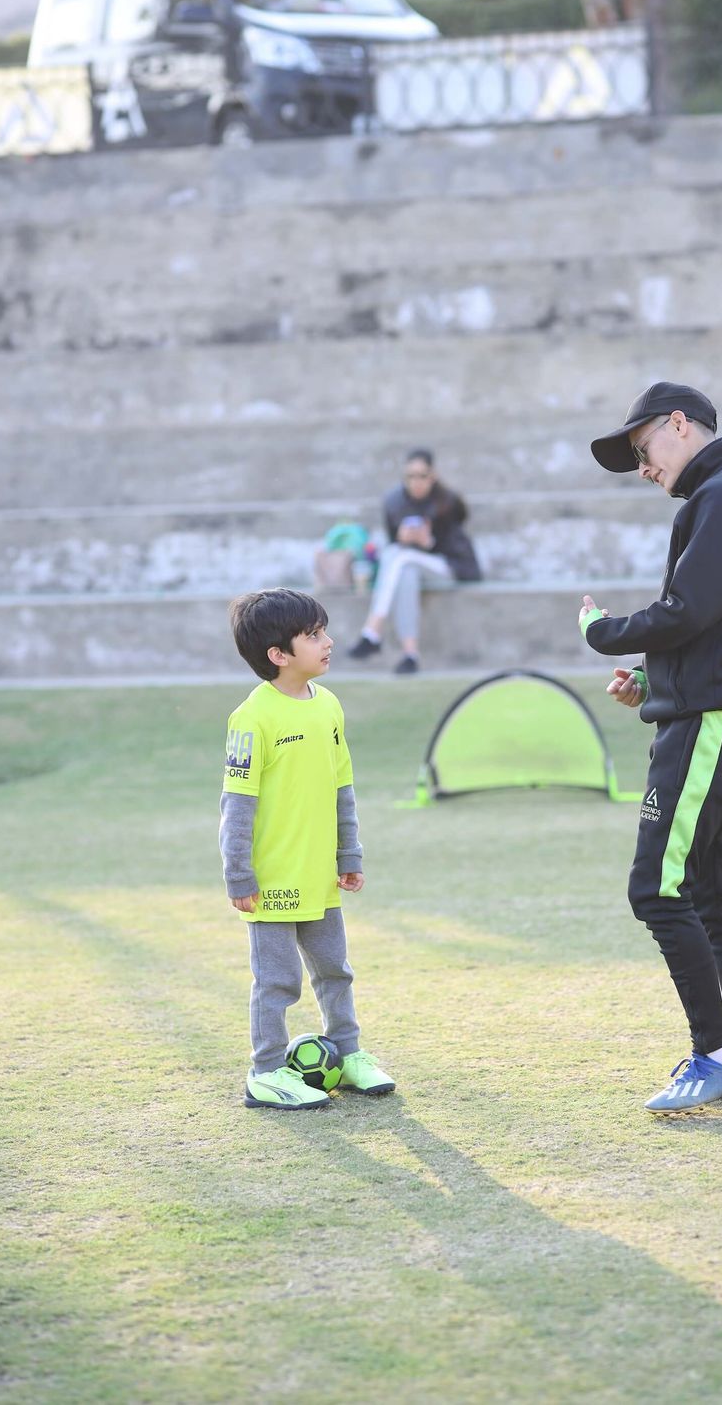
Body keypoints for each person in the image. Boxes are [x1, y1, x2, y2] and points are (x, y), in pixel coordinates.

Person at [579, 381, 722, 1113]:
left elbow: (687, 609)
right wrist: (652, 680)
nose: (642, 468)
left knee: (657, 890)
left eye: (643, 450)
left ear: (679, 424)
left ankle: (714, 1055)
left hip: (714, 723)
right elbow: (715, 626)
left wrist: (604, 632)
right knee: (714, 896)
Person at [220, 587, 396, 1109]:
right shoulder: (251, 719)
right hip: (271, 881)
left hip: (320, 876)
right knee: (277, 983)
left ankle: (347, 1052)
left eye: (324, 631)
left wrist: (349, 855)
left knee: (335, 971)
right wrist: (238, 875)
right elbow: (236, 807)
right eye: (314, 635)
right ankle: (267, 1071)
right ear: (278, 655)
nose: (329, 642)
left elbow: (342, 789)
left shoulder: (330, 707)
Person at [348, 448, 482, 674]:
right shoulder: (394, 502)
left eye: (422, 476)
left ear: (433, 476)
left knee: (400, 556)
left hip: (450, 566)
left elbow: (455, 543)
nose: (416, 482)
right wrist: (404, 538)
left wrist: (429, 541)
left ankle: (373, 630)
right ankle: (410, 654)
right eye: (411, 476)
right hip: (411, 565)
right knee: (401, 562)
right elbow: (395, 545)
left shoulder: (447, 501)